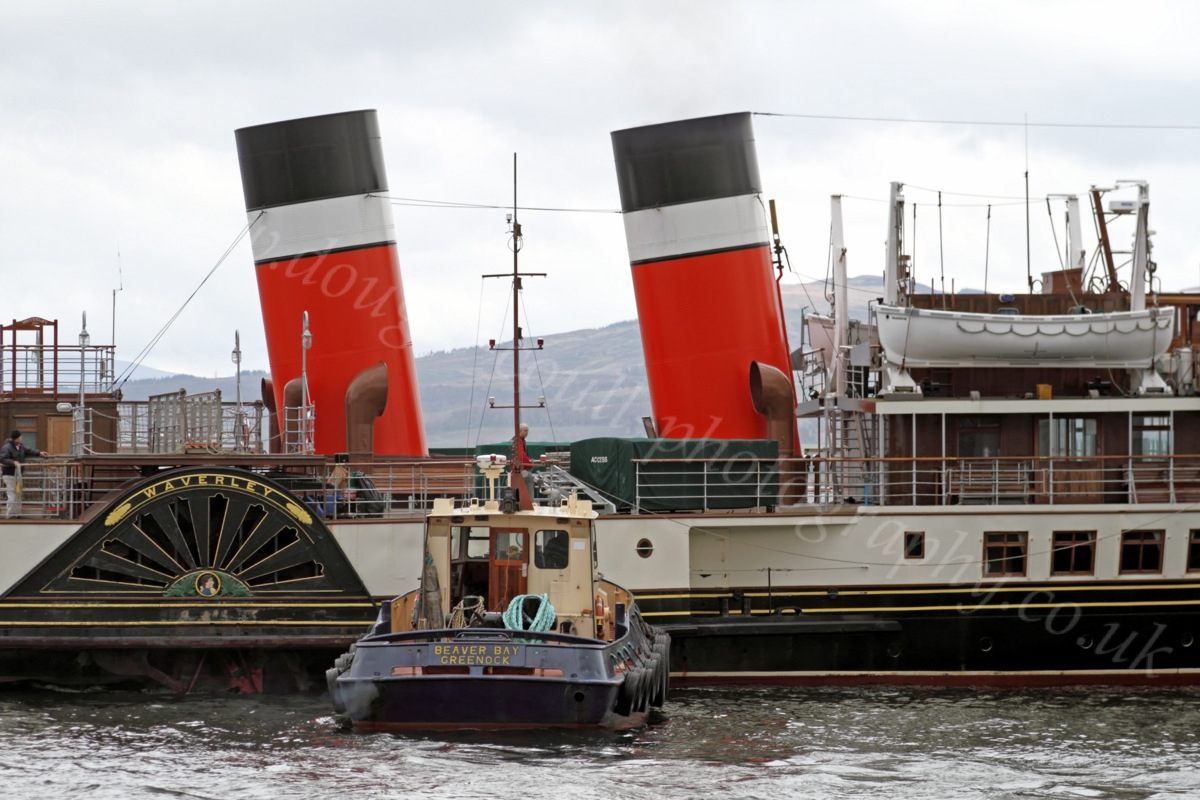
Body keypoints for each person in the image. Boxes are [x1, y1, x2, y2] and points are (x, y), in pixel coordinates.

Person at [0, 430, 49, 519]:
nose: (21, 438)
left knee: (18, 493)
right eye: (20, 436)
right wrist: (13, 462)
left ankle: (17, 513)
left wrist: (39, 453)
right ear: (17, 438)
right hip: (9, 474)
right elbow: (3, 459)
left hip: (17, 474)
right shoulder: (7, 447)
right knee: (12, 493)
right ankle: (10, 514)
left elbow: (29, 450)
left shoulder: (20, 446)